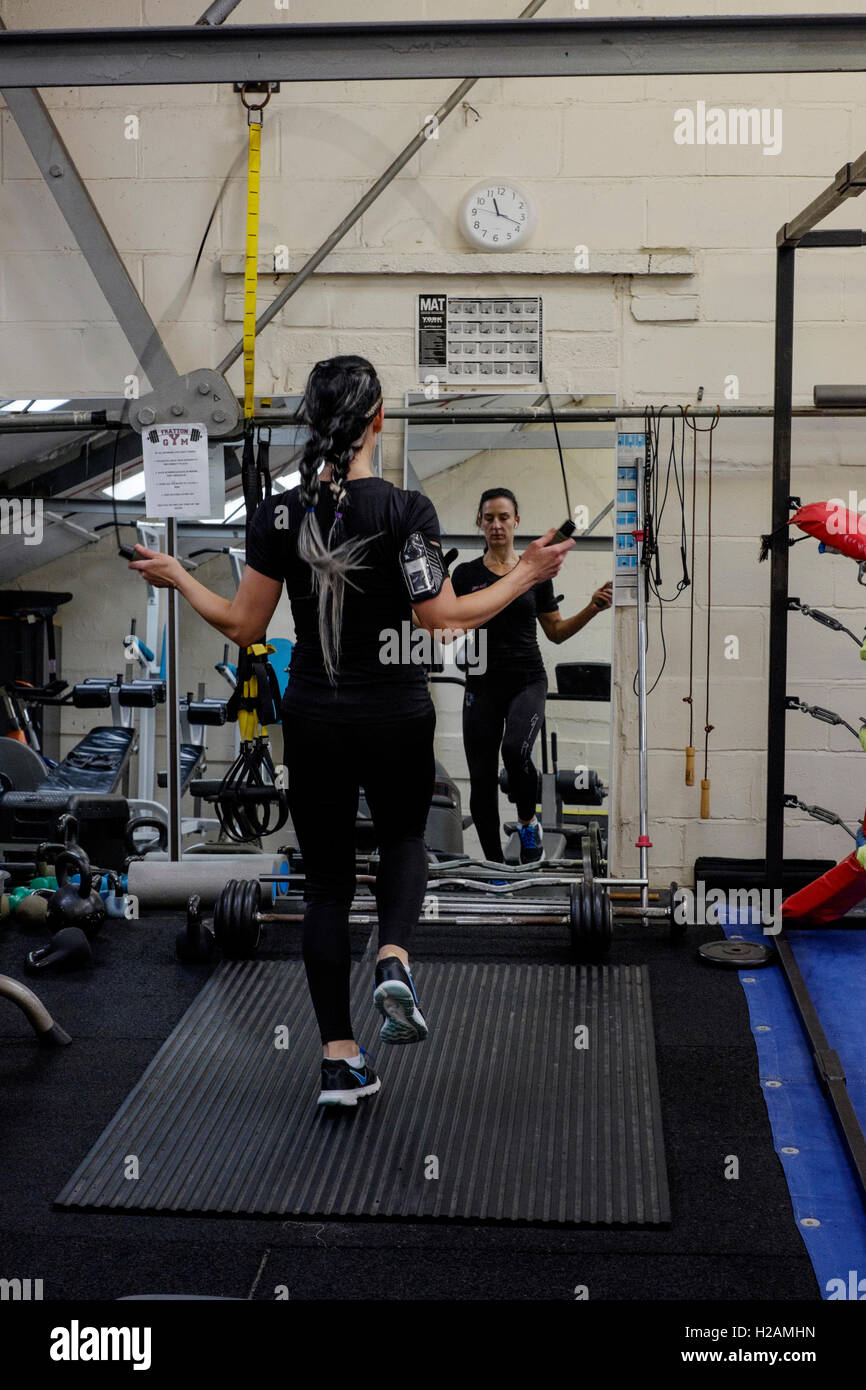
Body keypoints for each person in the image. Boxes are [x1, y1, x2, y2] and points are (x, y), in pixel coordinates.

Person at [129, 357, 573, 1108]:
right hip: (395, 714)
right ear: (377, 422)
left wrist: (179, 575)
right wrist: (527, 574)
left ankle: (339, 1061)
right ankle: (393, 957)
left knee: (328, 886)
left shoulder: (275, 512)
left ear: (312, 421)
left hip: (314, 719)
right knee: (404, 840)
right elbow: (442, 621)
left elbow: (245, 627)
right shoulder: (407, 510)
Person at [451, 487, 612, 865]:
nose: (496, 525)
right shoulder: (465, 575)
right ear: (479, 523)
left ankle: (527, 822)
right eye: (488, 518)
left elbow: (555, 633)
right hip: (481, 684)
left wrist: (592, 607)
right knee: (482, 777)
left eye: (503, 517)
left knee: (515, 749)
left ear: (516, 522)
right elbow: (446, 622)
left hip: (527, 679)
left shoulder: (535, 574)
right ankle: (493, 865)